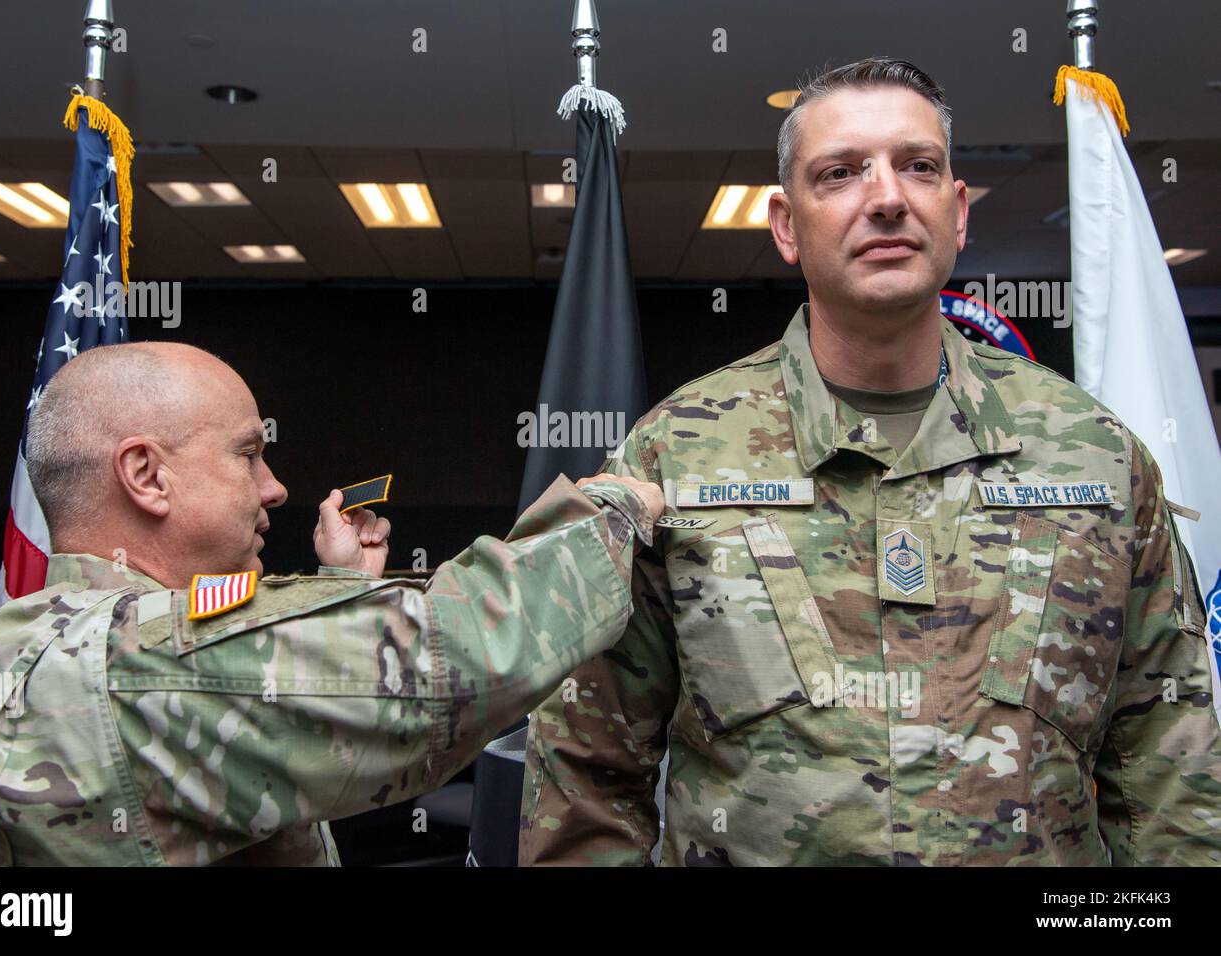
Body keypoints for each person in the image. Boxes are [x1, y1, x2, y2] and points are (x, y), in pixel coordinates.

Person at [520, 57, 1221, 866]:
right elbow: (587, 774)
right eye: (840, 173)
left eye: (917, 166)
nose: (886, 197)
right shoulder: (672, 456)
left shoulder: (1095, 455)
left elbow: (1168, 764)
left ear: (958, 212)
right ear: (786, 224)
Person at [0, 341, 662, 866]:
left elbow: (276, 713)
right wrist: (612, 513)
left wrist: (344, 586)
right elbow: (445, 664)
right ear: (146, 475)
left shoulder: (64, 633)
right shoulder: (94, 666)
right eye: (247, 454)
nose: (274, 486)